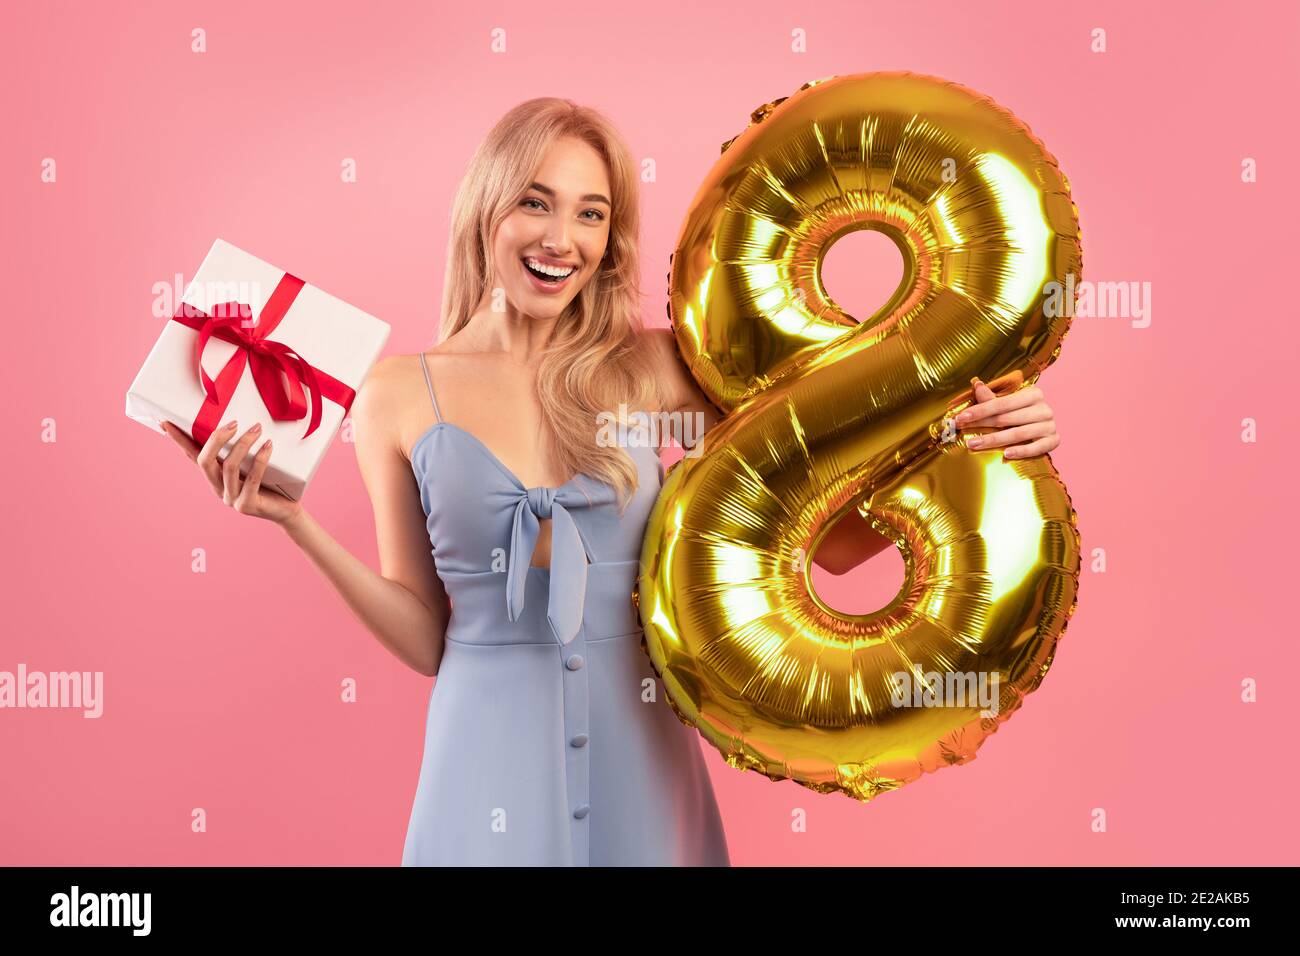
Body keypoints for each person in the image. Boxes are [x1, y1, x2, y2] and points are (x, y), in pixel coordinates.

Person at [161, 97, 1061, 866]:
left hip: (645, 755)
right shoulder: (397, 392)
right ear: (486, 210)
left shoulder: (658, 371)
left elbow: (827, 546)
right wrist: (296, 524)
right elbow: (428, 635)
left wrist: (976, 441)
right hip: (482, 761)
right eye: (537, 204)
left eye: (593, 214)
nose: (563, 240)